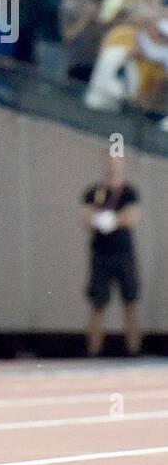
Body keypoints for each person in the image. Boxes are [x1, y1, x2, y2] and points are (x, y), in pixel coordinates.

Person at [83, 153, 141, 357]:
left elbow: (132, 218)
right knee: (98, 304)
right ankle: (93, 351)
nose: (112, 167)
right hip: (101, 255)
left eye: (116, 163)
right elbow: (86, 217)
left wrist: (112, 220)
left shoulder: (129, 192)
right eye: (109, 163)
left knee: (130, 302)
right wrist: (98, 220)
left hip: (124, 255)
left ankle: (133, 350)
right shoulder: (94, 192)